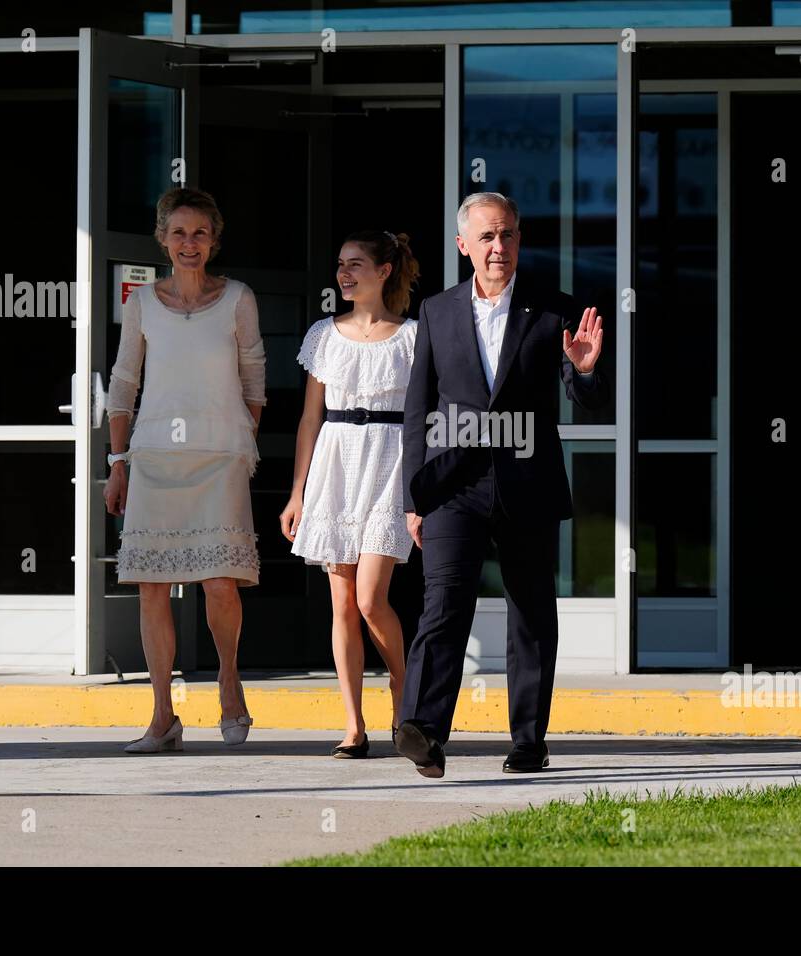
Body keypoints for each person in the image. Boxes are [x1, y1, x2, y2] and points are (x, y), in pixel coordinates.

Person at [395, 192, 607, 778]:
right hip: (451, 485)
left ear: (519, 241)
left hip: (526, 480)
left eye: (507, 235)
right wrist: (414, 496)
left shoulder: (553, 309)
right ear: (464, 244)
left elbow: (582, 394)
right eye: (486, 237)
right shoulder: (436, 312)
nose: (498, 247)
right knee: (442, 605)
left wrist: (586, 372)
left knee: (531, 614)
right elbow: (418, 412)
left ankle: (529, 741)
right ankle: (422, 730)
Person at [103, 187, 266, 754]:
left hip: (220, 457)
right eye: (179, 233)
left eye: (200, 233)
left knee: (221, 579)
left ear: (214, 239)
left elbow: (254, 379)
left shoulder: (238, 297)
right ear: (163, 240)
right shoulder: (142, 302)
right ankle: (162, 715)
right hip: (152, 457)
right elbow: (124, 381)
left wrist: (235, 436)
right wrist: (118, 461)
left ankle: (228, 682)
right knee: (152, 586)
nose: (189, 243)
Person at [281, 231, 420, 758]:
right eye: (340, 264)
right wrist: (298, 492)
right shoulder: (323, 334)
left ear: (383, 272)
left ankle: (404, 693)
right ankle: (353, 725)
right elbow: (309, 419)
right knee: (341, 602)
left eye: (356, 265)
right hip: (334, 467)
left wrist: (419, 493)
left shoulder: (411, 336)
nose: (344, 273)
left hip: (390, 465)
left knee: (369, 598)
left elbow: (425, 418)